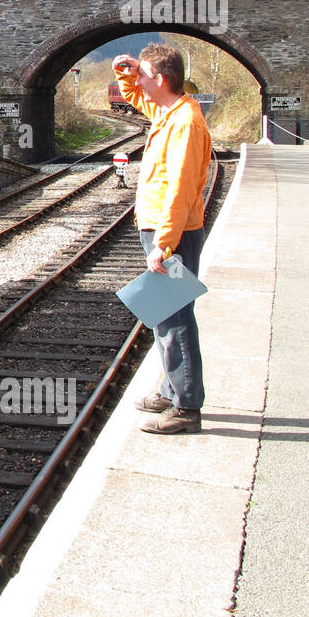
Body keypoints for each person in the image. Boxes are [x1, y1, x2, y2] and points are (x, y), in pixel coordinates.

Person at [113, 45, 213, 434]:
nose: (137, 81)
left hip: (174, 232)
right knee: (162, 314)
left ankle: (186, 406)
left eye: (143, 75)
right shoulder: (170, 111)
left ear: (161, 79)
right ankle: (172, 389)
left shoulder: (185, 123)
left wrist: (165, 243)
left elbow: (181, 187)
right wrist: (127, 72)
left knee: (175, 318)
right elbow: (136, 97)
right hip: (160, 227)